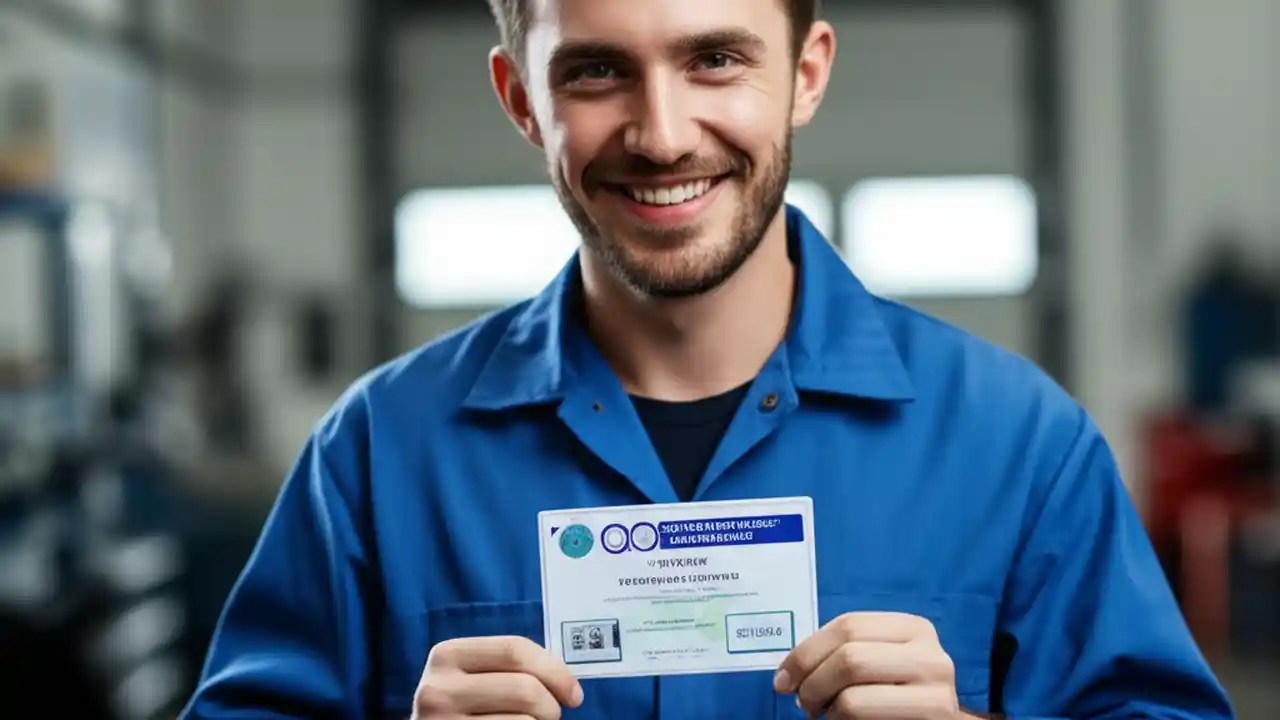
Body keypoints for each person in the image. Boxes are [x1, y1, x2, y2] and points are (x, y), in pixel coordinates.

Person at [180, 0, 1235, 718]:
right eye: (596, 71)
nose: (661, 133)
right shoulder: (376, 455)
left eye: (714, 59)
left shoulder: (1017, 443)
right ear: (517, 98)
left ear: (804, 74)